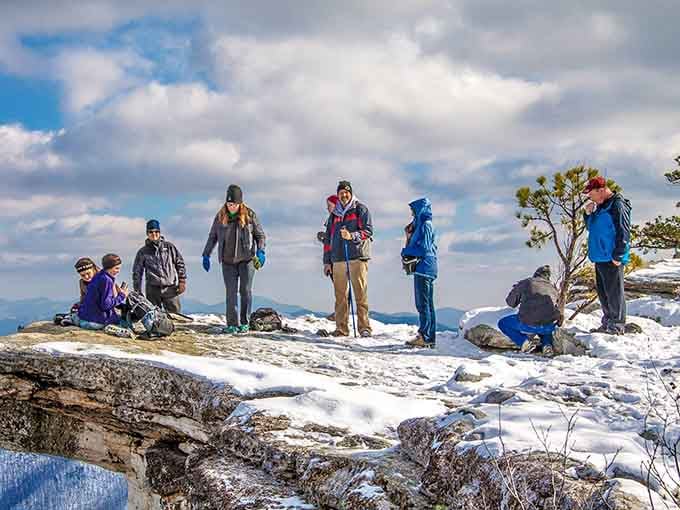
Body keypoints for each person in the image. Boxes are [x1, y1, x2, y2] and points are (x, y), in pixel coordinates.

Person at [202, 184, 266, 334]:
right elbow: (212, 237)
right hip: (227, 261)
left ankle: (244, 322)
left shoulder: (249, 215)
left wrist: (261, 252)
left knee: (245, 291)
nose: (231, 207)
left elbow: (260, 235)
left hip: (247, 260)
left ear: (240, 203)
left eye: (234, 204)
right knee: (230, 292)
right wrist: (206, 254)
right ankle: (232, 324)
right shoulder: (220, 216)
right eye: (229, 204)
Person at [323, 180, 373, 337]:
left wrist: (352, 236)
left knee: (360, 294)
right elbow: (328, 240)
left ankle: (364, 327)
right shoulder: (334, 215)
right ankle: (341, 328)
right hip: (337, 258)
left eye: (346, 192)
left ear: (350, 193)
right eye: (341, 193)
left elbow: (368, 231)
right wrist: (326, 261)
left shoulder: (360, 209)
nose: (344, 195)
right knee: (340, 296)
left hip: (357, 256)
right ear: (337, 195)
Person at [583, 175, 632, 335]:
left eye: (591, 193)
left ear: (601, 190)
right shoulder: (601, 206)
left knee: (614, 292)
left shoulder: (617, 205)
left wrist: (618, 255)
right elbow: (592, 228)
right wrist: (588, 214)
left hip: (612, 257)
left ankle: (617, 324)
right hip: (600, 257)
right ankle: (608, 322)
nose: (589, 197)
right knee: (604, 293)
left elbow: (623, 230)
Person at [497, 265, 562, 356]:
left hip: (527, 323)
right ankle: (547, 345)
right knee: (545, 325)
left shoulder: (526, 282)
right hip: (547, 327)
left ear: (536, 274)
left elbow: (510, 302)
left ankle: (524, 342)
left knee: (503, 323)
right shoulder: (553, 288)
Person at [402, 198, 438, 348]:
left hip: (424, 268)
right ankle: (427, 336)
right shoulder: (421, 225)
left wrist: (405, 251)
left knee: (423, 304)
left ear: (420, 209)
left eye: (413, 210)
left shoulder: (425, 226)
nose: (412, 213)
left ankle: (426, 336)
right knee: (426, 304)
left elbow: (423, 248)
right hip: (425, 268)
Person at [132, 219, 187, 313]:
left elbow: (180, 263)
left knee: (176, 316)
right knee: (154, 318)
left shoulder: (169, 247)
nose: (154, 234)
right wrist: (138, 291)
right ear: (147, 233)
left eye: (156, 231)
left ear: (160, 232)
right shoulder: (142, 252)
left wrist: (182, 281)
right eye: (151, 232)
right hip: (152, 290)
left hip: (170, 289)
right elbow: (137, 272)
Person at [78, 254, 130, 330]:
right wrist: (122, 296)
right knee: (126, 322)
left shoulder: (98, 276)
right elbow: (106, 305)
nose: (118, 271)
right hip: (94, 323)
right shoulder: (107, 280)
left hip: (83, 319)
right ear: (109, 267)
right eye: (116, 268)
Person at [317, 195, 340, 322]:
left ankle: (341, 313)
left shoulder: (339, 219)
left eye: (329, 205)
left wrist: (325, 238)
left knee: (341, 287)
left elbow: (335, 239)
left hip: (338, 258)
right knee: (338, 286)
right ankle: (339, 312)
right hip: (332, 258)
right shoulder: (331, 220)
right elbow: (331, 240)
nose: (327, 208)